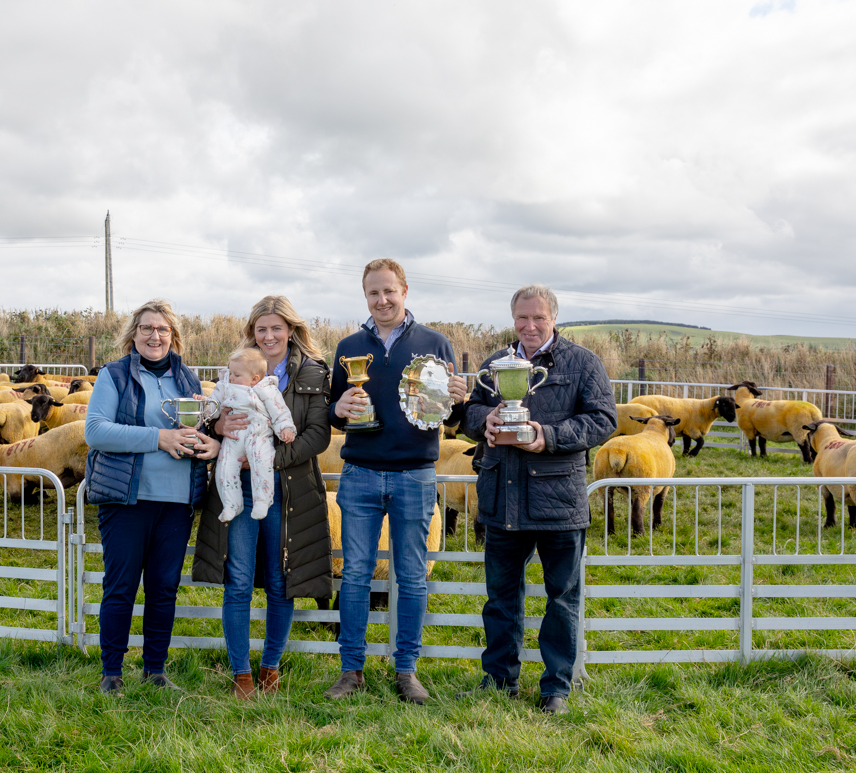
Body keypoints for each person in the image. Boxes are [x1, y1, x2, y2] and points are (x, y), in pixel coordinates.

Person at [459, 284, 615, 713]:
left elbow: (603, 420)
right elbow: (471, 412)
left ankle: (557, 688)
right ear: (513, 319)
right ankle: (499, 680)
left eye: (538, 318)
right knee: (500, 597)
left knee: (562, 598)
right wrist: (485, 420)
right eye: (522, 318)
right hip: (502, 497)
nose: (530, 326)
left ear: (553, 319)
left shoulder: (582, 363)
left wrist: (546, 436)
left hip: (558, 501)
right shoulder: (496, 363)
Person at [324, 258, 468, 704]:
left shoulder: (435, 344)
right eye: (373, 293)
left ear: (405, 290)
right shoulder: (349, 345)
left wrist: (460, 401)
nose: (382, 300)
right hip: (361, 473)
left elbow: (450, 414)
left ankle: (407, 670)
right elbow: (333, 411)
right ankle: (351, 671)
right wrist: (340, 408)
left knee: (411, 576)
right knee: (355, 575)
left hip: (414, 474)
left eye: (389, 291)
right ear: (364, 295)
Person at [193, 296, 333, 700]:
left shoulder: (311, 373)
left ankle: (271, 665)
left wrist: (269, 462)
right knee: (237, 580)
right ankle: (241, 672)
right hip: (238, 484)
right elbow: (212, 420)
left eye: (276, 328)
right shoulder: (234, 370)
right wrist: (217, 423)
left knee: (280, 579)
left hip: (285, 489)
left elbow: (317, 434)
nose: (269, 336)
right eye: (261, 329)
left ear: (290, 329)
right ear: (252, 332)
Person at [83, 299, 220, 694]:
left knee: (163, 587)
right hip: (127, 498)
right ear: (134, 334)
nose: (154, 336)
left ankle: (155, 669)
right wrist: (159, 438)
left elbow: (198, 429)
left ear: (173, 336)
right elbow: (96, 431)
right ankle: (112, 672)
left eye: (162, 329)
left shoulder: (190, 381)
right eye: (146, 328)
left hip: (177, 501)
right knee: (121, 584)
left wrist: (205, 443)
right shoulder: (114, 376)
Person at [206, 347, 297, 522]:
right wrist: (204, 406)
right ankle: (232, 504)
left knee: (262, 464)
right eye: (231, 372)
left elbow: (279, 412)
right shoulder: (225, 386)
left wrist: (286, 429)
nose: (231, 377)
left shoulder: (267, 389)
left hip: (258, 434)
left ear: (255, 379)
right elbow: (214, 405)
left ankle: (263, 500)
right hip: (233, 436)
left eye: (236, 375)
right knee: (225, 467)